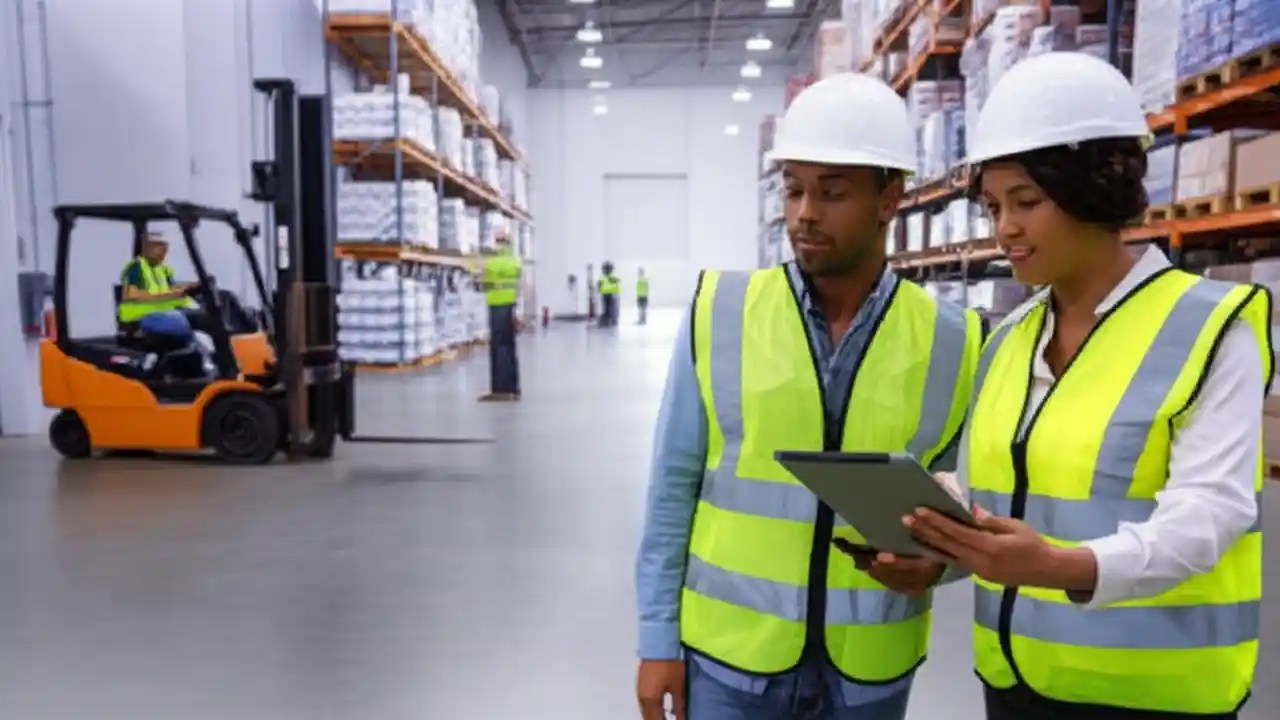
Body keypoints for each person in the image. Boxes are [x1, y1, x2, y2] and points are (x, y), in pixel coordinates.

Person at [905, 53, 1270, 720]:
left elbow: (1210, 515)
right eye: (992, 206)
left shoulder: (1209, 328)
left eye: (1027, 202)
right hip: (1018, 683)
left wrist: (1062, 567)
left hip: (1152, 698)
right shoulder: (1011, 337)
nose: (1004, 227)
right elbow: (1010, 491)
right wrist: (935, 544)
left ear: (1095, 191)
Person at [634, 73, 983, 720]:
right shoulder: (721, 311)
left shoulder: (957, 340)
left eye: (832, 192)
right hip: (731, 660)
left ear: (890, 199)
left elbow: (974, 502)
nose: (804, 213)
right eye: (793, 189)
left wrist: (939, 566)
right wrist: (658, 640)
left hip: (870, 670)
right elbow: (671, 487)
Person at [118, 233, 211, 343]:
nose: (164, 255)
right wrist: (168, 296)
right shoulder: (137, 267)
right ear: (149, 249)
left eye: (165, 251)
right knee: (179, 321)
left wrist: (191, 286)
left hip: (161, 310)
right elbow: (132, 295)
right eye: (161, 251)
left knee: (203, 314)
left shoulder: (163, 268)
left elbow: (171, 287)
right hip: (141, 315)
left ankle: (204, 349)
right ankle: (197, 351)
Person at [480, 232, 523, 401]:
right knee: (509, 347)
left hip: (498, 307)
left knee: (498, 348)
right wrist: (519, 311)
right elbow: (519, 287)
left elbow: (484, 283)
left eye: (498, 241)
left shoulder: (491, 262)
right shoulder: (515, 262)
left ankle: (500, 389)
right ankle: (513, 388)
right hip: (510, 307)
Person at [598, 262, 621, 327]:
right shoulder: (603, 278)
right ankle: (608, 321)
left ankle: (612, 321)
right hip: (605, 295)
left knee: (611, 309)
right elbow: (599, 286)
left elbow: (616, 287)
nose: (605, 271)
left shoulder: (614, 278)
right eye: (605, 269)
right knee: (606, 308)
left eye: (607, 269)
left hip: (612, 295)